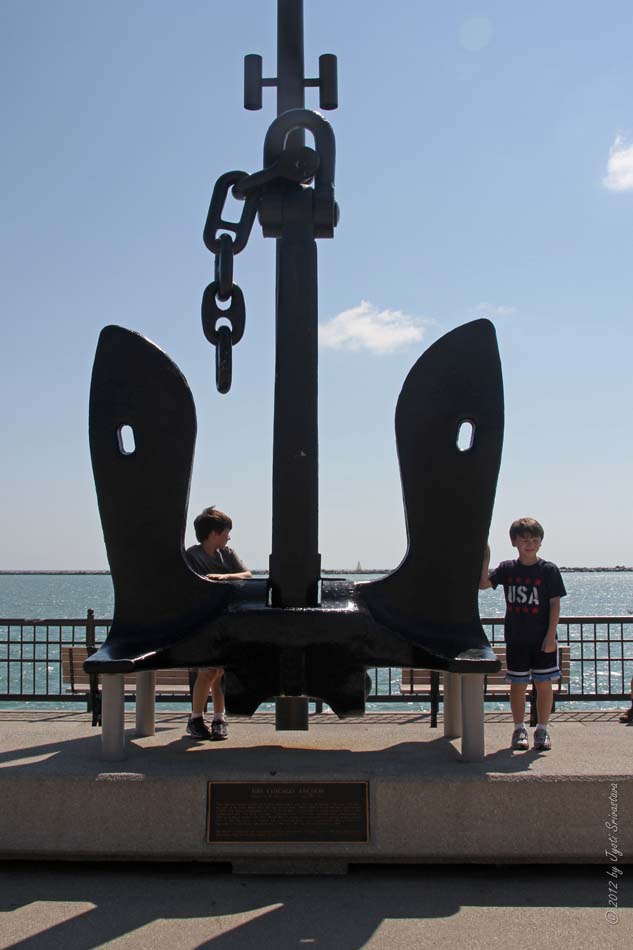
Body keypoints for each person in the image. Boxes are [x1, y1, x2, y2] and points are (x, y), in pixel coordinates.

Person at [480, 517, 566, 752]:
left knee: (543, 683)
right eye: (524, 539)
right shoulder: (508, 568)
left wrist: (551, 636)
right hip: (517, 638)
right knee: (517, 685)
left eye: (534, 539)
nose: (530, 543)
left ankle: (542, 729)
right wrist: (484, 552)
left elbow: (555, 604)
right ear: (514, 542)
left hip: (542, 640)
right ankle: (519, 728)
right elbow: (483, 584)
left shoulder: (548, 570)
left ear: (540, 543)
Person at [184, 506, 252, 740]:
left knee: (220, 671)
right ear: (214, 533)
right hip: (204, 621)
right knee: (208, 671)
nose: (229, 537)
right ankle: (195, 718)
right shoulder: (192, 557)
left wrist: (224, 577)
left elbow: (247, 575)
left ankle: (218, 718)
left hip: (225, 620)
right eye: (226, 532)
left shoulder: (228, 555)